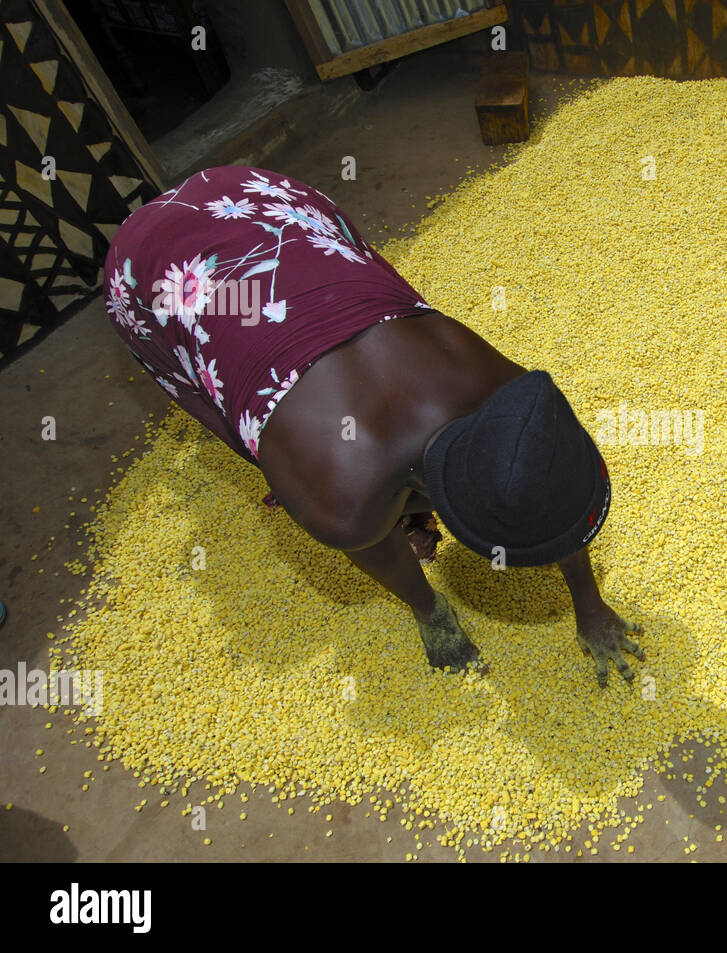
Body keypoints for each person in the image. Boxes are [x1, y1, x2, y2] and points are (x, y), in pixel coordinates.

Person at [103, 166, 643, 686]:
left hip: (249, 195)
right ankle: (430, 615)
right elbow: (376, 535)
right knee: (224, 395)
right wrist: (430, 611)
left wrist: (589, 604)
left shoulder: (508, 389)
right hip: (163, 268)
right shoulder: (343, 505)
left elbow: (546, 496)